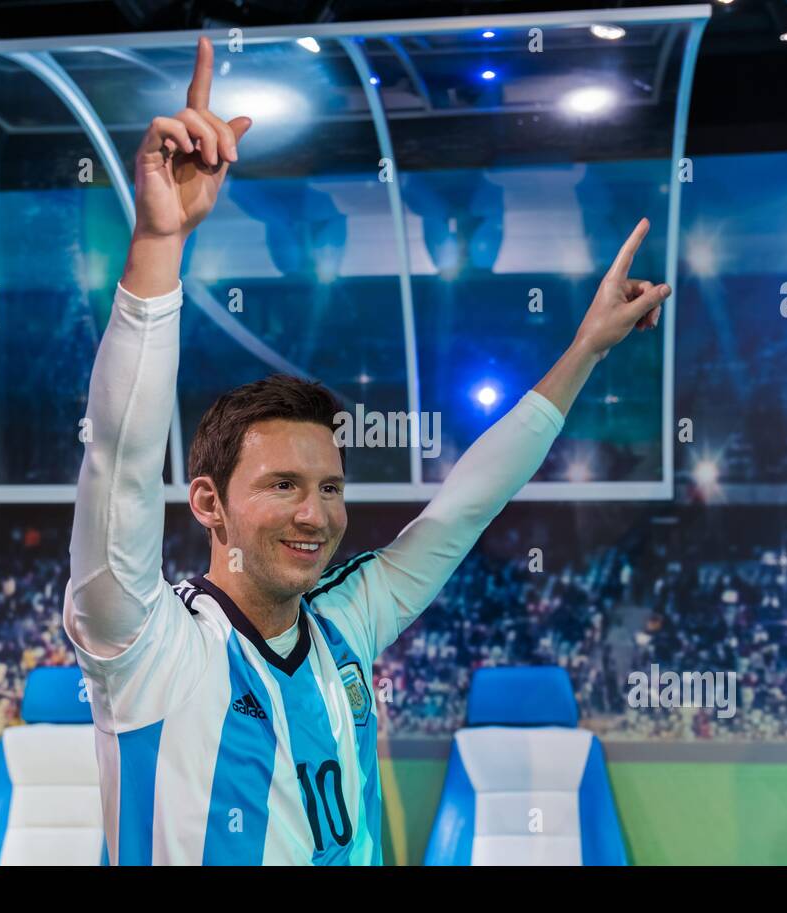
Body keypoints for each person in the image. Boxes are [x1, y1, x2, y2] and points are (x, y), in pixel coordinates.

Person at [62, 34, 671, 865]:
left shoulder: (347, 621)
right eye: (282, 485)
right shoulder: (144, 641)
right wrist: (160, 244)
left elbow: (464, 507)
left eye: (330, 487)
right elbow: (122, 461)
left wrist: (586, 351)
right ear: (208, 503)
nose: (316, 514)